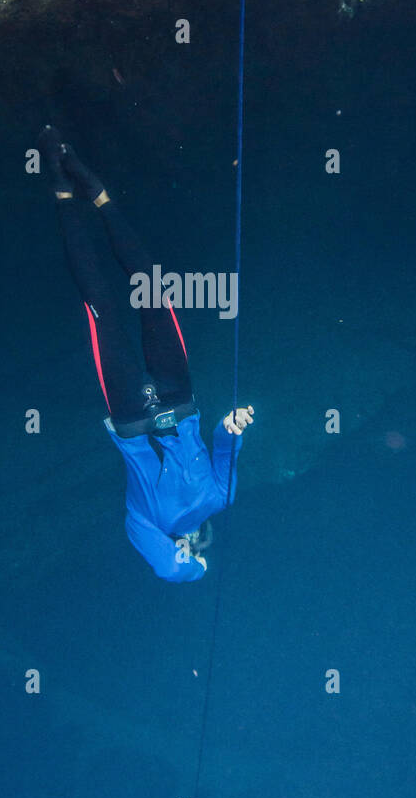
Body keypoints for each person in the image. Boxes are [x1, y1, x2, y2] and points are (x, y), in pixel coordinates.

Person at [39, 125, 254, 583]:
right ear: (203, 538)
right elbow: (225, 445)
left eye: (189, 552)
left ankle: (58, 186)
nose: (190, 547)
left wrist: (189, 569)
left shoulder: (145, 525)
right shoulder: (221, 497)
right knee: (154, 290)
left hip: (132, 416)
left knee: (100, 304)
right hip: (179, 398)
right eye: (196, 548)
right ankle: (96, 194)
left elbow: (165, 566)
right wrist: (234, 425)